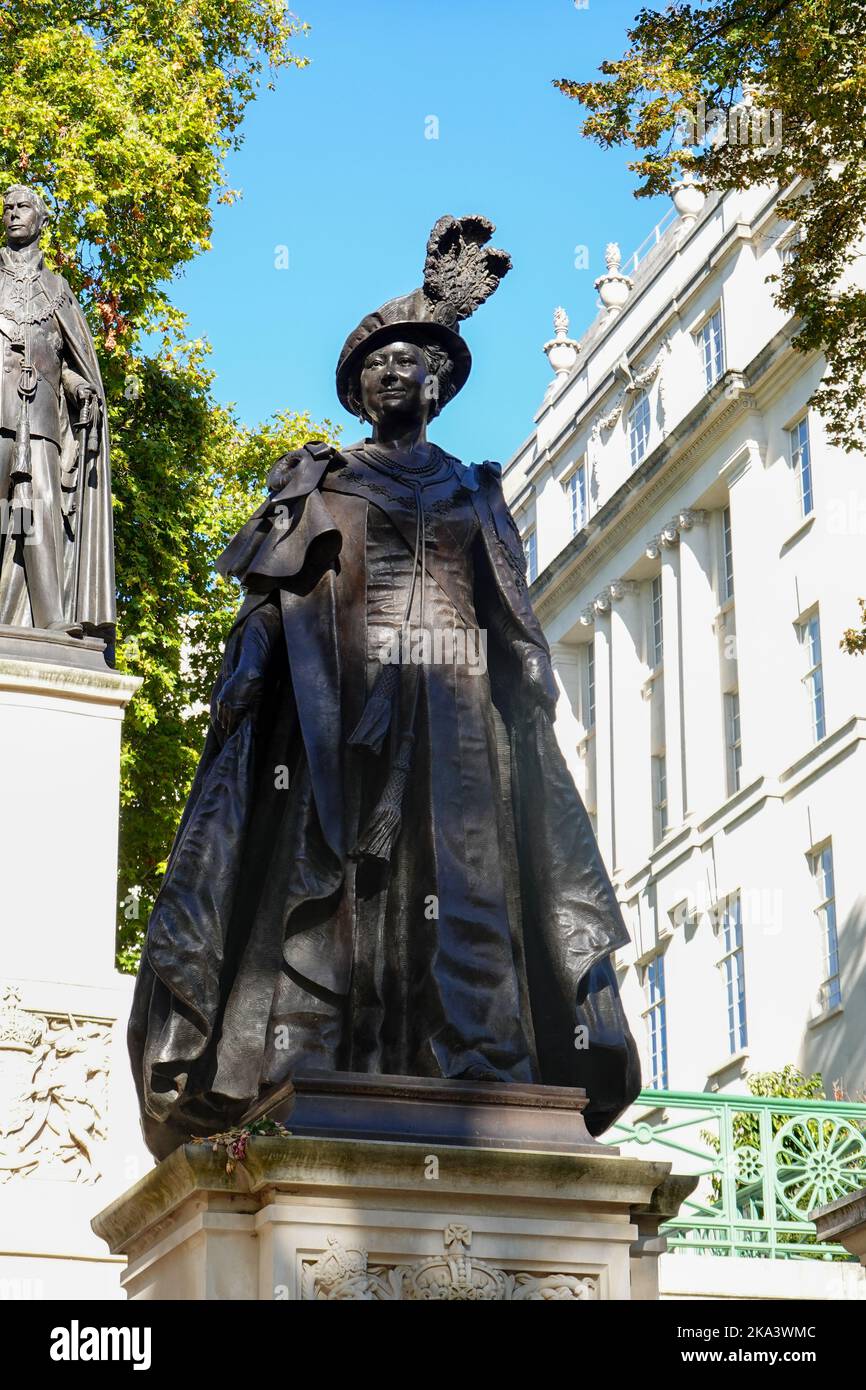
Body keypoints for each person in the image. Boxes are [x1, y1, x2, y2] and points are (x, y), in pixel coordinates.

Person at [129, 215, 640, 1159]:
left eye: (409, 362)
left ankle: (480, 1060)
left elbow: (508, 608)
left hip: (459, 707)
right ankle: (328, 1051)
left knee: (469, 880)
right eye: (376, 365)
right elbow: (269, 600)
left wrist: (527, 673)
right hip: (349, 711)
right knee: (342, 877)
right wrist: (245, 681)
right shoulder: (320, 481)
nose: (391, 374)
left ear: (439, 385)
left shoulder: (474, 489)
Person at [0, 184, 114, 641]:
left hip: (41, 418)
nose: (12, 214)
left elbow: (66, 356)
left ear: (42, 219)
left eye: (22, 207)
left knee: (37, 512)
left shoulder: (57, 289)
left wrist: (80, 385)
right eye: (6, 208)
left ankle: (50, 616)